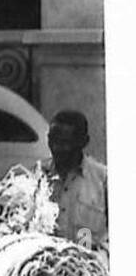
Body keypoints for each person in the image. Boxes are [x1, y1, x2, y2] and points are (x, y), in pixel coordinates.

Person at [44, 109, 108, 254]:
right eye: (52, 140)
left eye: (65, 143)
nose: (56, 148)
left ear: (84, 142)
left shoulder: (103, 180)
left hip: (89, 270)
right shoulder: (38, 176)